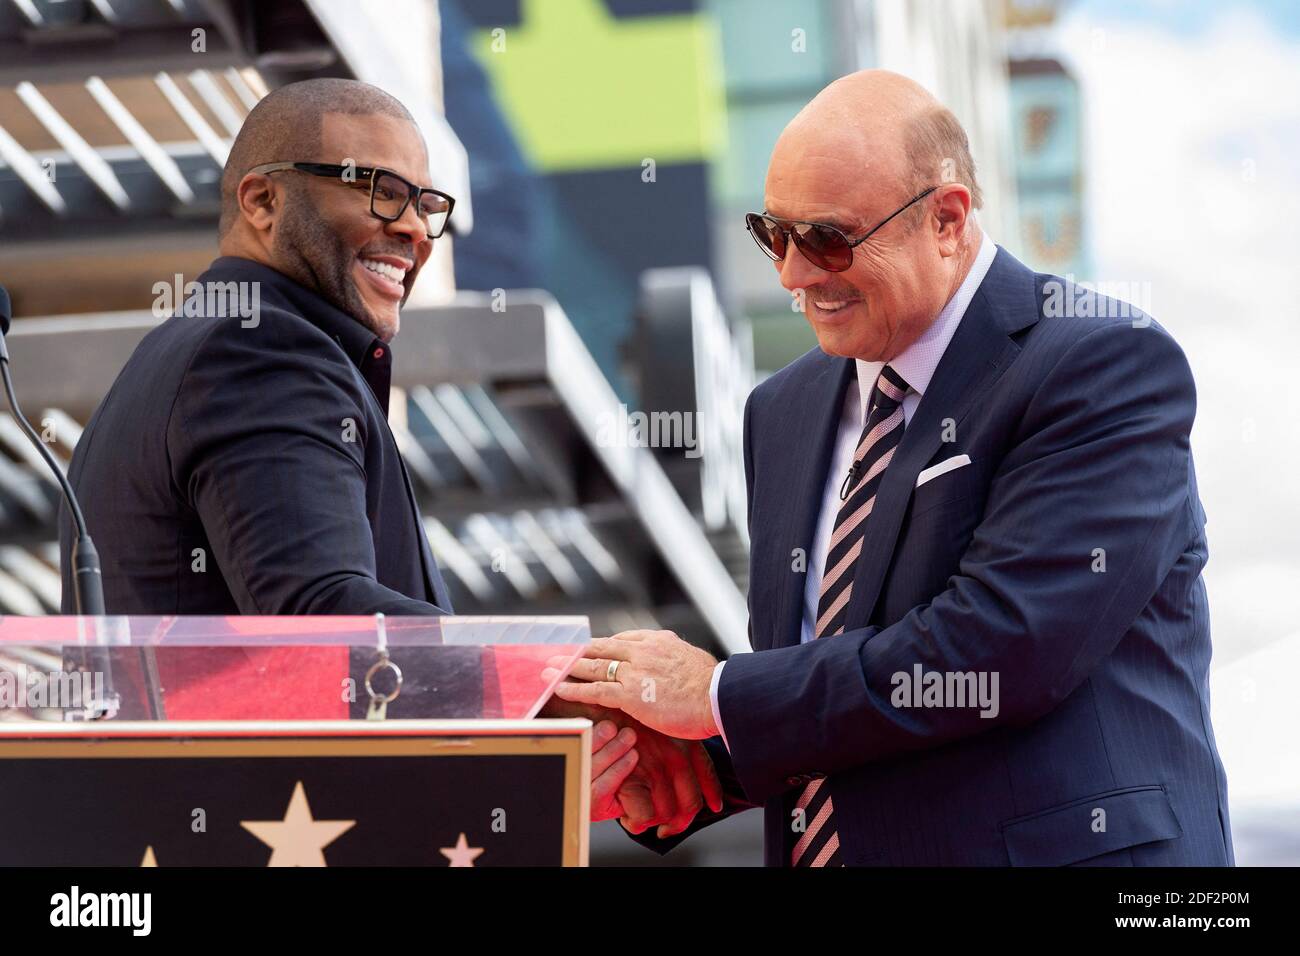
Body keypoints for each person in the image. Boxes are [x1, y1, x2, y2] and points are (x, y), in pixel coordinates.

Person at [548, 70, 1234, 866]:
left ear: (946, 220)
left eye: (828, 239)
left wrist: (717, 697)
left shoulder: (1100, 363)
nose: (793, 276)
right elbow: (826, 681)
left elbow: (1002, 650)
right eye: (774, 234)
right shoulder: (783, 411)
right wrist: (691, 760)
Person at [58, 77, 713, 834]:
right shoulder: (262, 350)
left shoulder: (202, 352)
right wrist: (557, 685)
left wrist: (537, 756)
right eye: (379, 191)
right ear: (262, 201)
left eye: (428, 205)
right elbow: (319, 622)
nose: (416, 231)